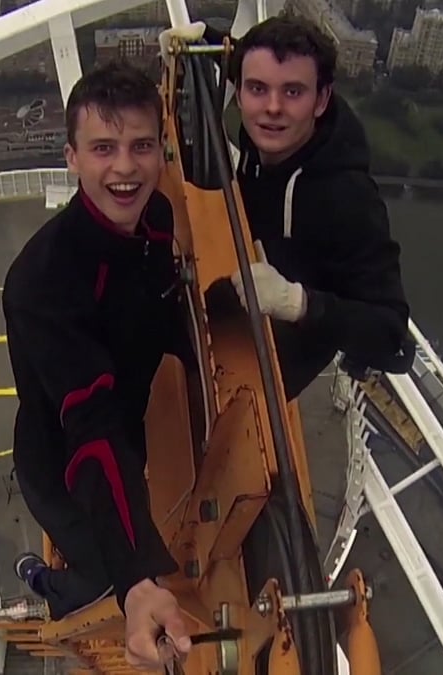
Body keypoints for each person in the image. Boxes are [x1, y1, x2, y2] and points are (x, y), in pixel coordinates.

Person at [2, 60, 193, 669]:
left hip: (121, 431)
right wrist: (136, 575)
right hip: (61, 466)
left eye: (141, 146)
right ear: (71, 157)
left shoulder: (156, 220)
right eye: (103, 148)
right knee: (96, 579)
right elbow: (88, 424)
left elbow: (159, 315)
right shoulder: (42, 280)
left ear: (161, 149)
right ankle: (44, 584)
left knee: (118, 551)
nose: (125, 168)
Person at [164, 15, 413, 398]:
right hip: (240, 284)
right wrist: (206, 44)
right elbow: (251, 67)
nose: (272, 107)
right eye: (257, 89)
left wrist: (297, 303)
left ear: (321, 99)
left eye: (293, 92)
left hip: (278, 355)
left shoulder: (347, 198)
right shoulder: (270, 134)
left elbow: (391, 336)